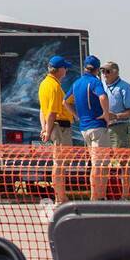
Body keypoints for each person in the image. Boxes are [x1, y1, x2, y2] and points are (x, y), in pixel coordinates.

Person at [67, 55, 114, 200]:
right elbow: (103, 97)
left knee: (96, 163)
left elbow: (66, 102)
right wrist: (106, 114)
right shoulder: (95, 82)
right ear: (97, 70)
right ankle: (97, 197)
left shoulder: (76, 83)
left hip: (84, 128)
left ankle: (99, 196)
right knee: (100, 164)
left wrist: (77, 115)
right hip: (97, 127)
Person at [39, 54, 76, 203]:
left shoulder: (44, 84)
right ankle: (60, 197)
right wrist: (48, 131)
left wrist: (44, 128)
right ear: (59, 69)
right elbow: (52, 112)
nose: (66, 70)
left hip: (53, 126)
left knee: (58, 162)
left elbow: (42, 110)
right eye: (65, 67)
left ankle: (59, 195)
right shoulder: (54, 86)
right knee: (60, 163)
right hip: (60, 127)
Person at [101, 60, 130, 198]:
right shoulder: (102, 88)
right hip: (103, 129)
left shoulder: (125, 88)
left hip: (119, 129)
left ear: (116, 72)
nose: (104, 74)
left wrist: (116, 116)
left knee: (123, 162)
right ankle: (103, 195)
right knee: (103, 162)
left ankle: (125, 195)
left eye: (107, 71)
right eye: (102, 71)